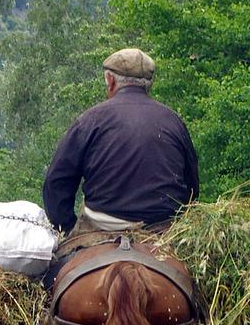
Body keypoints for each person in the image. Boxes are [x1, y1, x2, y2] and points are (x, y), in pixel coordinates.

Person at [43, 47, 199, 241]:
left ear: (111, 81)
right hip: (164, 232)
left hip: (100, 226)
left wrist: (65, 227)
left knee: (54, 268)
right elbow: (192, 187)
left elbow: (57, 181)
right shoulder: (173, 121)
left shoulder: (90, 120)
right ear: (149, 85)